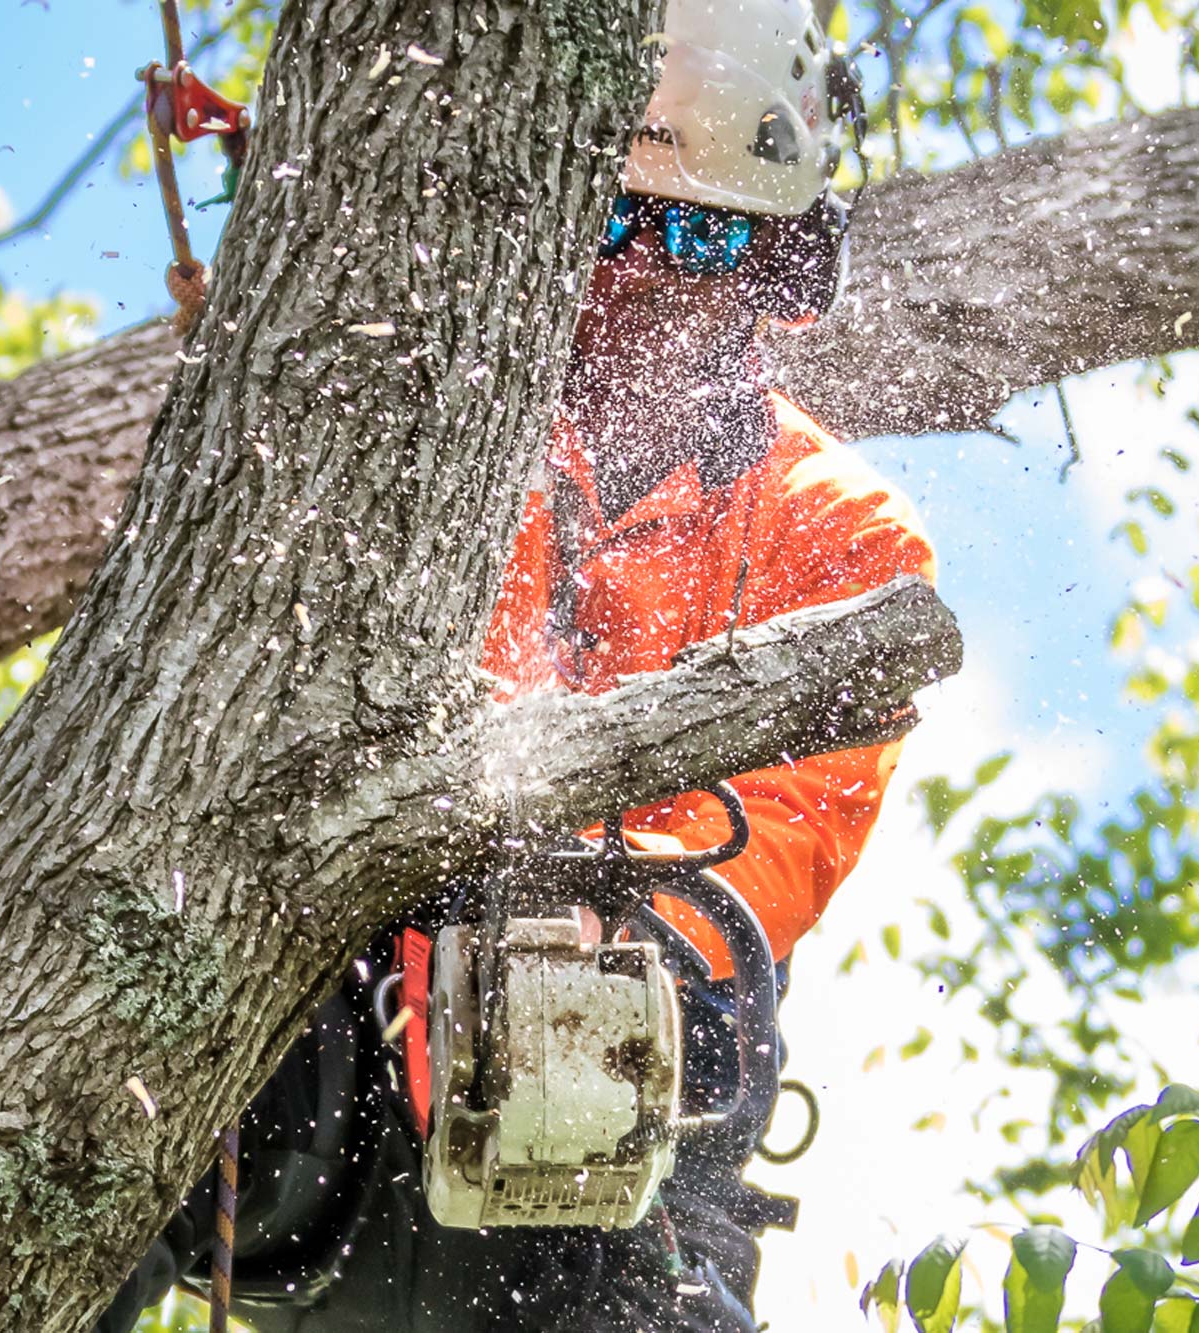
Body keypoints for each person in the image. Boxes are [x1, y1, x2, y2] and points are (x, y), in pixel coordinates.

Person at [98, 2, 933, 1328]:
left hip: (601, 1142)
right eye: (613, 221)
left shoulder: (844, 536)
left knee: (705, 1039)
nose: (648, 271)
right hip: (326, 1085)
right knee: (100, 1053)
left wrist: (645, 929)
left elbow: (791, 828)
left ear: (778, 267)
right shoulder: (420, 414)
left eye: (703, 231)